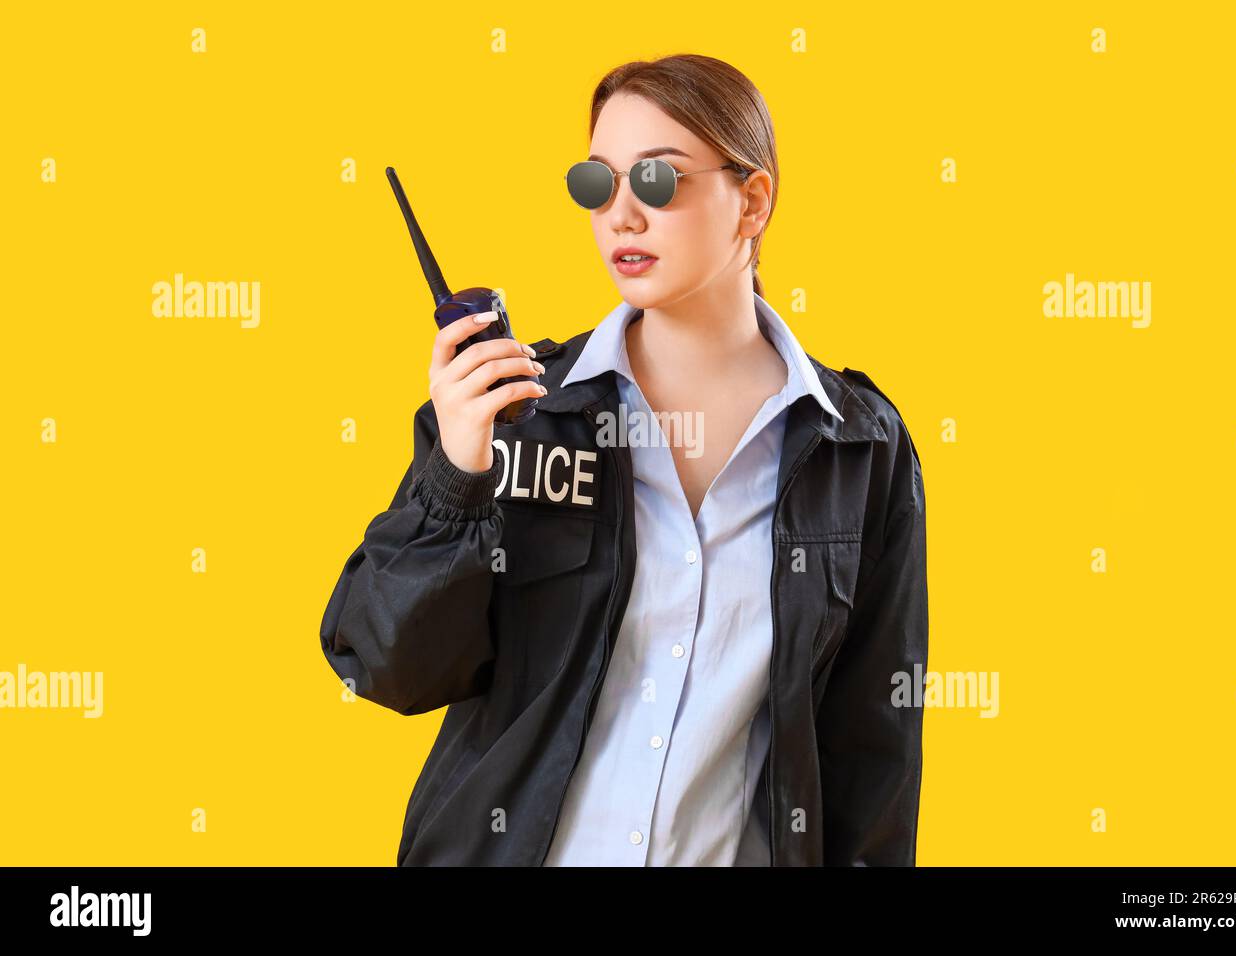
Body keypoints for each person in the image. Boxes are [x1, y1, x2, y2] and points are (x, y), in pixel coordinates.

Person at [319, 53, 929, 866]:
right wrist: (455, 480)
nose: (620, 215)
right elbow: (385, 666)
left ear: (752, 201)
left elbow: (873, 760)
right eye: (596, 183)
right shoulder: (518, 415)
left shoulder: (859, 450)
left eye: (656, 180)